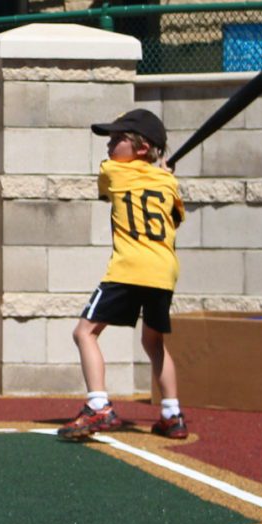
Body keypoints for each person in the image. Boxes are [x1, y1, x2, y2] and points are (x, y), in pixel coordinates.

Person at [61, 107, 188, 442]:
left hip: (129, 266)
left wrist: (152, 174)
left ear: (141, 147)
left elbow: (107, 192)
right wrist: (163, 175)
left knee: (84, 333)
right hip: (163, 270)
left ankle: (99, 404)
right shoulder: (169, 182)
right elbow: (174, 218)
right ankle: (172, 414)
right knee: (154, 342)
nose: (110, 145)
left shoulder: (113, 171)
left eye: (118, 139)